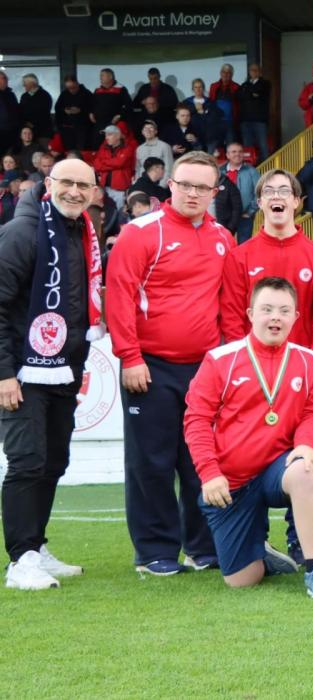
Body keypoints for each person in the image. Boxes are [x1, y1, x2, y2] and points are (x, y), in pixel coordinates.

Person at [106, 151, 235, 575]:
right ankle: (155, 551)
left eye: (203, 187)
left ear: (215, 192)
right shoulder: (141, 233)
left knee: (200, 461)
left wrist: (231, 361)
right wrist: (130, 356)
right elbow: (120, 295)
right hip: (150, 366)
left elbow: (227, 304)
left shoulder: (223, 237)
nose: (194, 193)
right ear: (170, 186)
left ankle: (202, 548)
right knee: (151, 462)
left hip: (203, 369)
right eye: (186, 185)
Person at [183, 276, 313, 597]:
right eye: (266, 309)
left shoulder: (309, 361)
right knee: (242, 579)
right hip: (231, 482)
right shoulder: (220, 360)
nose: (275, 318)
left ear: (296, 317)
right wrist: (210, 474)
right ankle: (261, 553)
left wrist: (305, 445)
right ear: (250, 313)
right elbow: (196, 420)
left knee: (306, 468)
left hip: (277, 471)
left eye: (284, 311)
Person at [0, 159, 104, 590]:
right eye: (67, 183)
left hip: (62, 371)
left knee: (54, 461)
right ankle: (20, 560)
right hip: (20, 373)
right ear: (49, 183)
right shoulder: (22, 232)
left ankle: (36, 546)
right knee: (27, 462)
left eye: (85, 185)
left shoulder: (81, 232)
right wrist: (4, 374)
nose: (75, 191)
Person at [220, 168, 313, 369]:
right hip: (253, 365)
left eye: (284, 191)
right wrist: (242, 361)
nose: (276, 195)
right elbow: (232, 317)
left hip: (303, 366)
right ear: (259, 203)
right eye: (268, 191)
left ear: (296, 201)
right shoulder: (239, 256)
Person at [222, 142, 260, 244]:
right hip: (224, 217)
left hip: (244, 216)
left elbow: (260, 192)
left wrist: (250, 211)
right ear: (227, 155)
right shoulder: (219, 172)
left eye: (240, 152)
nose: (237, 154)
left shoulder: (252, 171)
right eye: (234, 152)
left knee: (244, 246)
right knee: (224, 245)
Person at [93, 125, 136, 211]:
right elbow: (97, 165)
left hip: (119, 189)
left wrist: (104, 163)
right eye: (105, 135)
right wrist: (113, 163)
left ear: (118, 136)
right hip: (104, 187)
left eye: (109, 135)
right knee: (104, 212)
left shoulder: (128, 148)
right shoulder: (103, 148)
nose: (106, 138)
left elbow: (119, 163)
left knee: (119, 212)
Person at [238, 64, 272, 161]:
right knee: (248, 148)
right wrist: (252, 94)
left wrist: (248, 94)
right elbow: (239, 95)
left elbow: (259, 91)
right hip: (245, 121)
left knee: (263, 145)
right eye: (251, 70)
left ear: (260, 72)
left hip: (260, 120)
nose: (253, 72)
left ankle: (267, 170)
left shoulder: (265, 83)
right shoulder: (244, 85)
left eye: (256, 70)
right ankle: (250, 169)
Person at [90, 69, 133, 143]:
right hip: (99, 123)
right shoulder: (97, 90)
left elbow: (128, 105)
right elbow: (92, 104)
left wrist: (120, 116)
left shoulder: (121, 89)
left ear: (110, 77)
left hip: (113, 123)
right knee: (97, 144)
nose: (100, 77)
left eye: (102, 75)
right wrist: (91, 113)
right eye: (100, 75)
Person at [55, 76, 93, 151]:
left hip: (83, 129)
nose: (71, 90)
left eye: (73, 87)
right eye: (68, 88)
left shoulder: (87, 93)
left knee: (81, 151)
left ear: (77, 83)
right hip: (67, 129)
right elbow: (57, 108)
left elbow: (92, 108)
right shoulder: (64, 94)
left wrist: (80, 110)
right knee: (69, 152)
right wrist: (65, 110)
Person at [208, 64, 239, 147]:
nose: (225, 74)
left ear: (232, 74)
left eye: (228, 72)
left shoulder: (236, 87)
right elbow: (210, 103)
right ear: (220, 73)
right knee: (217, 146)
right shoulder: (213, 86)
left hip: (230, 122)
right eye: (223, 72)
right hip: (217, 123)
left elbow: (238, 106)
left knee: (231, 145)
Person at [18, 74, 53, 142]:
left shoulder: (44, 96)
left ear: (32, 83)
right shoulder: (24, 96)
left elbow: (44, 113)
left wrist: (32, 124)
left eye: (25, 83)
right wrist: (24, 122)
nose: (23, 85)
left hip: (42, 132)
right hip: (28, 131)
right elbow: (21, 110)